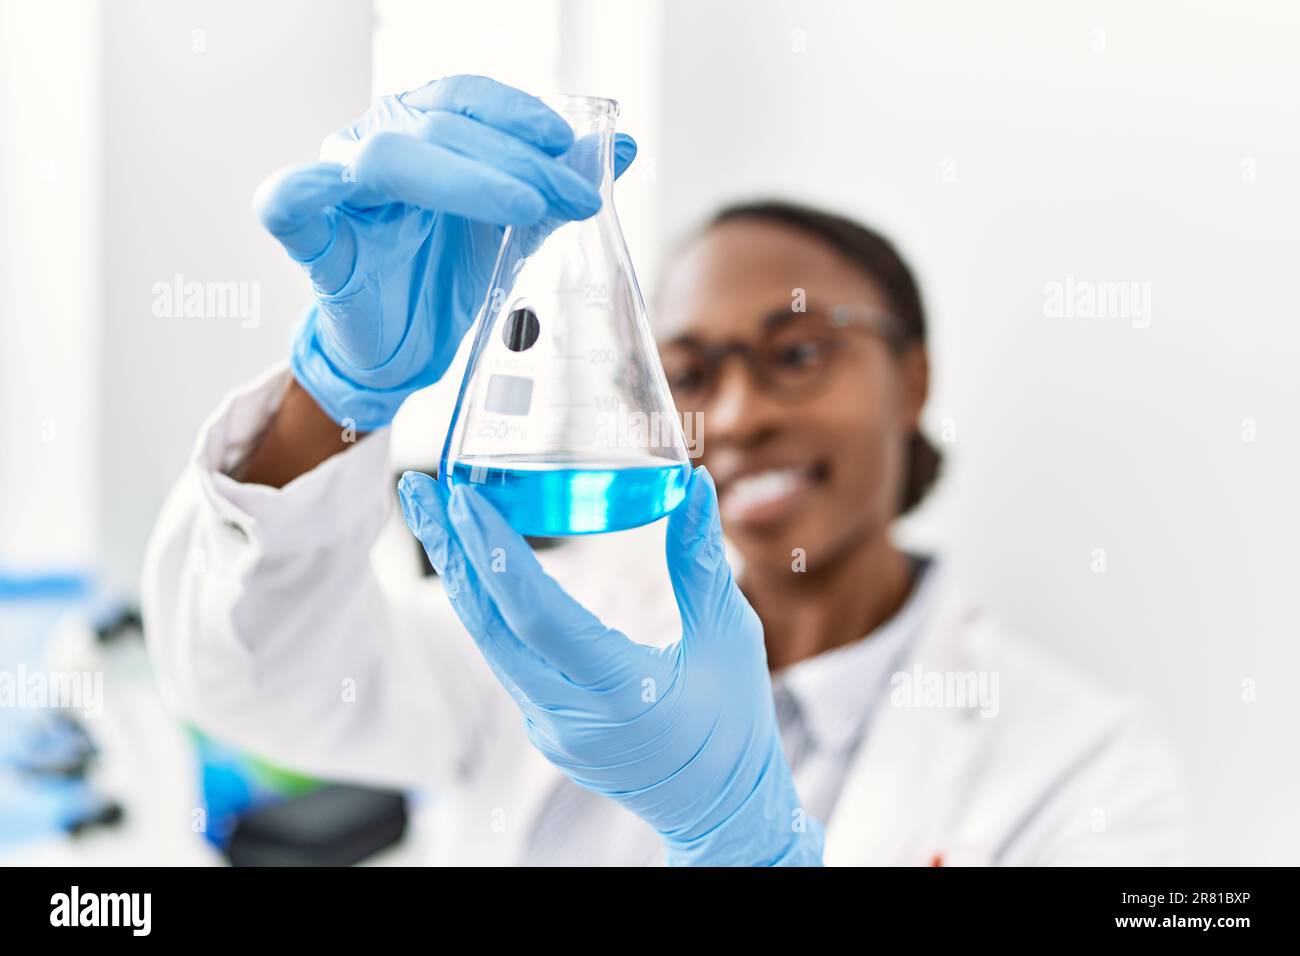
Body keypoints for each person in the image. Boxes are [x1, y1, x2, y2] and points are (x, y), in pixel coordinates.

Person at [142, 75, 1185, 866]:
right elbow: (250, 680)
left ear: (911, 377)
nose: (734, 416)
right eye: (683, 369)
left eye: (798, 353)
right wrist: (338, 395)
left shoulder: (1079, 765)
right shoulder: (538, 633)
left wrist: (751, 842)